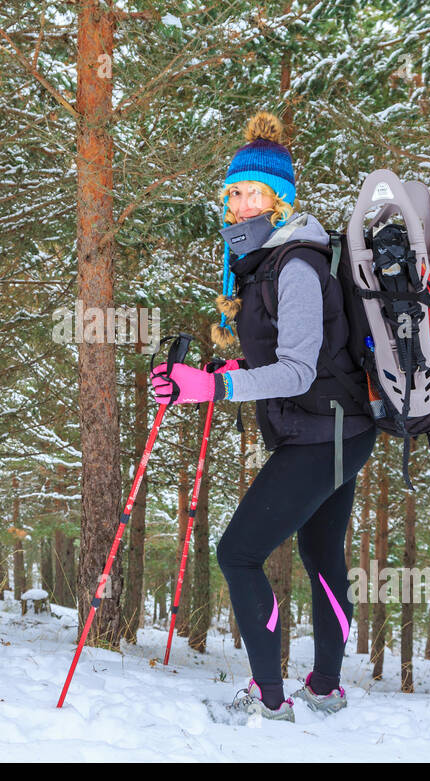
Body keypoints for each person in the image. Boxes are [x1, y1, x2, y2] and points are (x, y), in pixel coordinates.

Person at [149, 110, 378, 723]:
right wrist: (214, 378)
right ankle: (325, 689)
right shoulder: (267, 264)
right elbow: (282, 359)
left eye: (251, 191)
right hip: (335, 431)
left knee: (239, 554)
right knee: (322, 555)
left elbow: (298, 371)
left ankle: (269, 699)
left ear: (280, 199)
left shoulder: (297, 265)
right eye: (231, 191)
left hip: (324, 435)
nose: (237, 202)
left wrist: (214, 391)